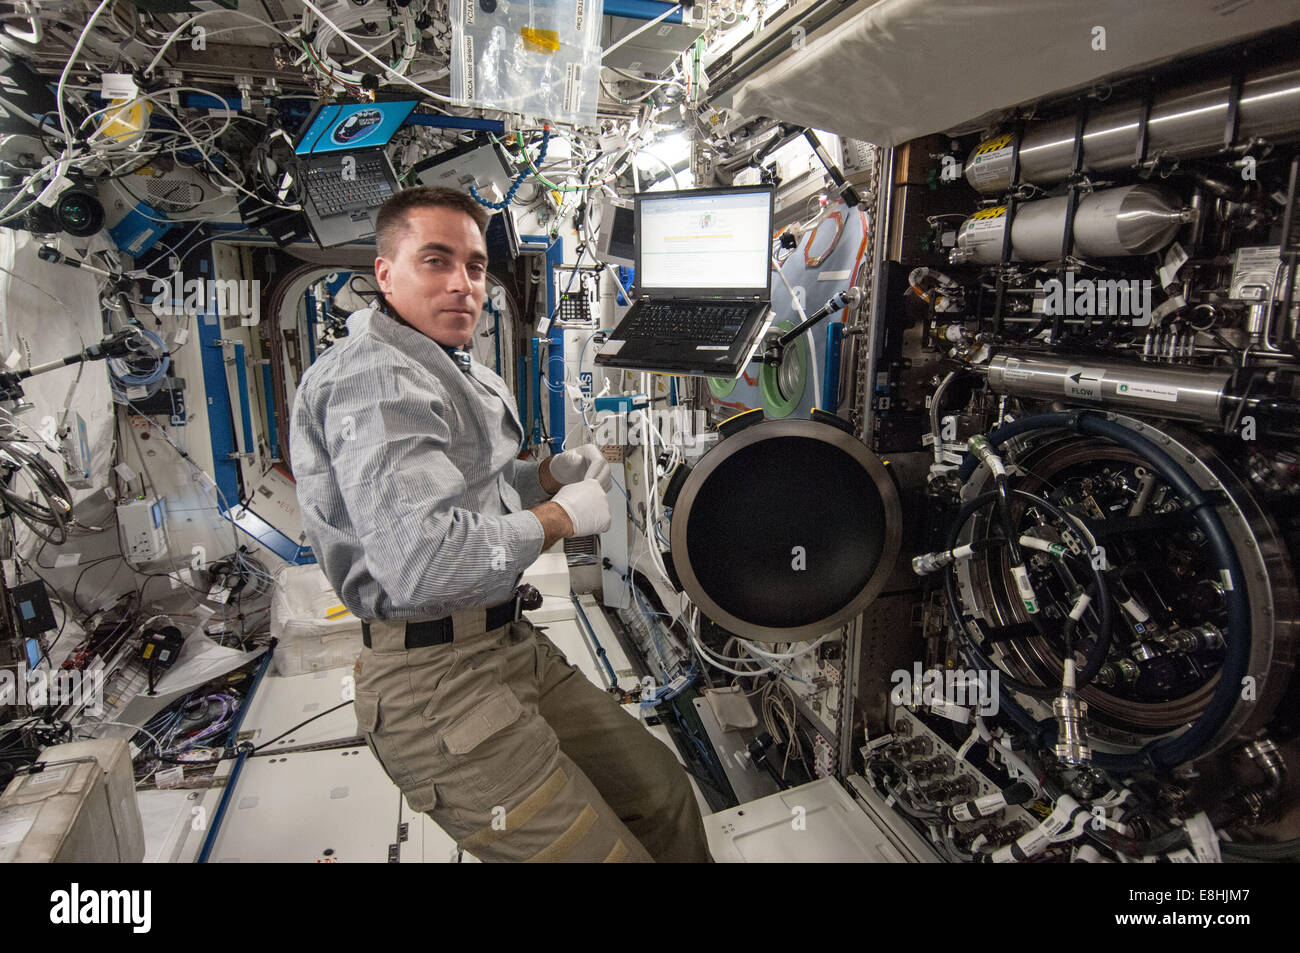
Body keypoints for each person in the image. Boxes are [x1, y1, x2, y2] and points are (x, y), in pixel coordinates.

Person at [289, 185, 712, 863]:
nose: (463, 284)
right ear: (385, 274)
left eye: (476, 266)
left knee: (662, 794)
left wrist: (545, 477)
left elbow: (471, 490)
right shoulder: (376, 380)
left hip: (506, 644)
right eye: (436, 261)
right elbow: (424, 561)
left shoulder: (445, 365)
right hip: (434, 684)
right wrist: (558, 517)